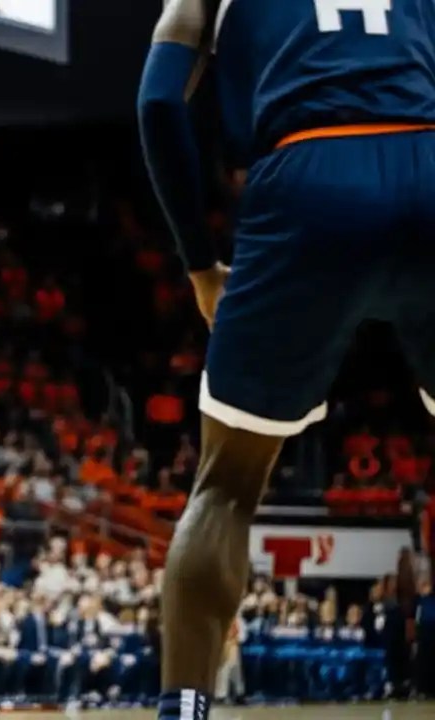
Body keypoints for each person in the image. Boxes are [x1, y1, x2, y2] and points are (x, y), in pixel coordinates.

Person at [137, 0, 435, 718]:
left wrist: (200, 262)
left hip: (307, 173)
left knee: (226, 488)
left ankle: (183, 710)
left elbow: (158, 103)